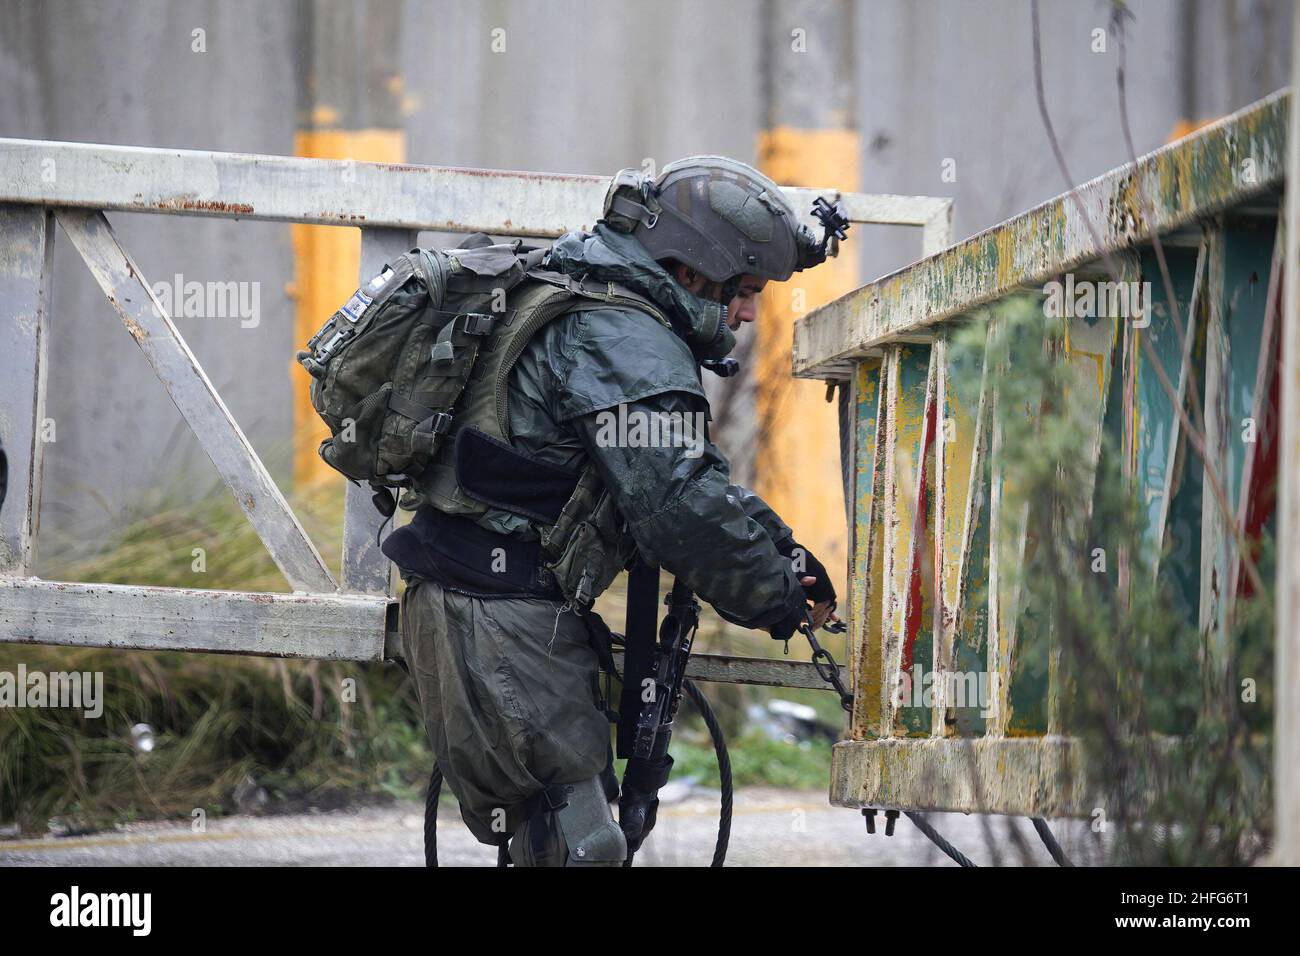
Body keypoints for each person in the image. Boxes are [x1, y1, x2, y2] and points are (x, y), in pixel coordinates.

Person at [383, 155, 841, 866]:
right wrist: (777, 593)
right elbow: (678, 507)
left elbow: (675, 477)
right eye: (745, 290)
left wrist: (779, 551)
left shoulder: (597, 295)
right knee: (583, 850)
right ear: (694, 268)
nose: (749, 313)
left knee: (559, 841)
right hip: (497, 618)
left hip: (493, 608)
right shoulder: (623, 338)